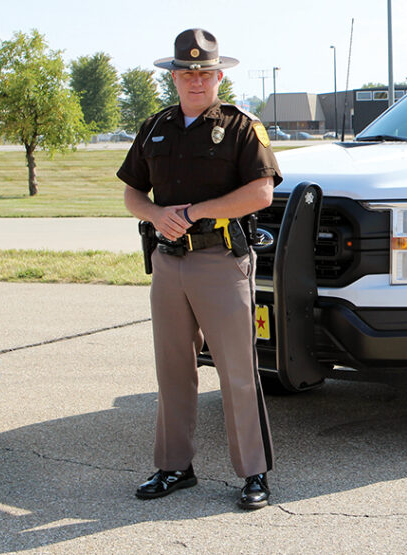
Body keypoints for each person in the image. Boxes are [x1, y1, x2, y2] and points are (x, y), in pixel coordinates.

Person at [117, 28, 282, 510]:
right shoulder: (155, 127)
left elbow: (261, 193)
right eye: (187, 72)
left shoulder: (240, 126)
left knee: (237, 371)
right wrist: (156, 215)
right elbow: (132, 193)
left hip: (220, 262)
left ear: (218, 76)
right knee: (172, 369)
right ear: (173, 76)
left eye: (205, 73)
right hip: (168, 263)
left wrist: (194, 212)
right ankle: (174, 467)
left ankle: (253, 472)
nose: (196, 80)